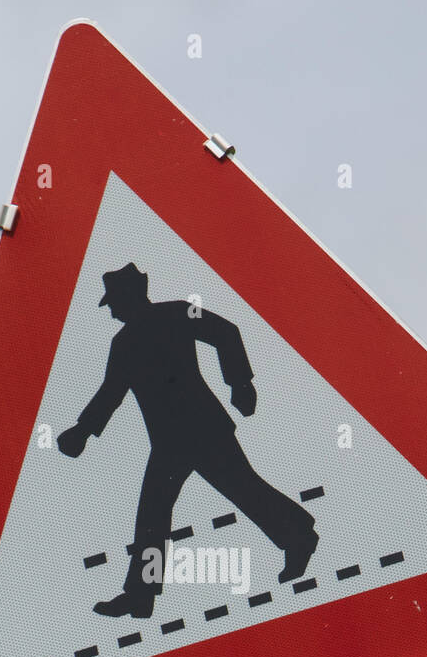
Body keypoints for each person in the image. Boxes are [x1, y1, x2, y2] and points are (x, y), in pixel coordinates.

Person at [58, 263, 318, 618]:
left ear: (130, 297)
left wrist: (240, 383)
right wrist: (82, 431)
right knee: (155, 515)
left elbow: (225, 332)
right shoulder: (124, 343)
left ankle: (299, 537)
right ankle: (140, 595)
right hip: (170, 443)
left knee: (243, 490)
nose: (113, 311)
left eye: (114, 302)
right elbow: (110, 393)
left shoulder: (178, 312)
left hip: (204, 430)